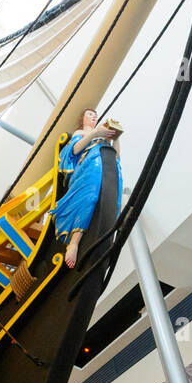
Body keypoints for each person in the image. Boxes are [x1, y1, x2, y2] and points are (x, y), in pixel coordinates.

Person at [53, 109, 123, 268]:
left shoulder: (103, 137)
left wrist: (116, 138)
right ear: (82, 119)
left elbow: (116, 156)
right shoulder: (81, 133)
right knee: (90, 197)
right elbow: (75, 150)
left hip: (109, 167)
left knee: (113, 201)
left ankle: (108, 238)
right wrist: (95, 133)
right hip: (90, 165)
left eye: (95, 115)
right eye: (89, 115)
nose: (93, 117)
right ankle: (74, 242)